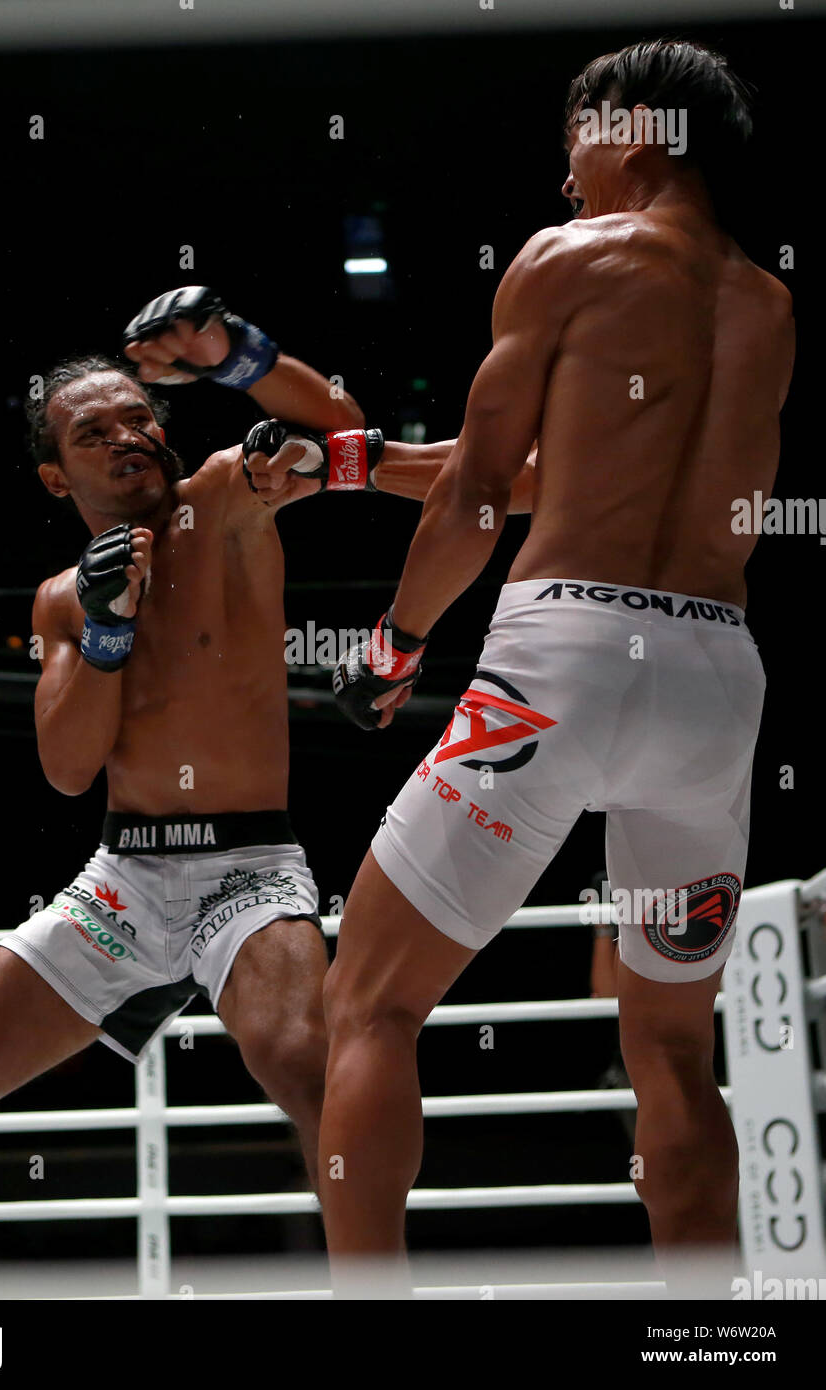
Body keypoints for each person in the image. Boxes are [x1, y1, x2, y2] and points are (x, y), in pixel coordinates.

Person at [0, 286, 516, 1274]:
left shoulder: (222, 499)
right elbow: (70, 769)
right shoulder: (60, 602)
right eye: (95, 428)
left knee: (305, 1066)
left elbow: (334, 433)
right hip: (122, 880)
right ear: (53, 474)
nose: (128, 432)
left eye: (137, 414)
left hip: (248, 869)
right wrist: (108, 634)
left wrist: (230, 354)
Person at [310, 39, 795, 1290]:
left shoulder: (564, 259)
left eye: (576, 138)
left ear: (633, 132)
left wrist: (395, 641)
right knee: (676, 1053)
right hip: (716, 675)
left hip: (562, 656)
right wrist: (361, 460)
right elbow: (586, 475)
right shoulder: (768, 305)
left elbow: (482, 491)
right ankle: (715, 1330)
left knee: (365, 1003)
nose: (566, 172)